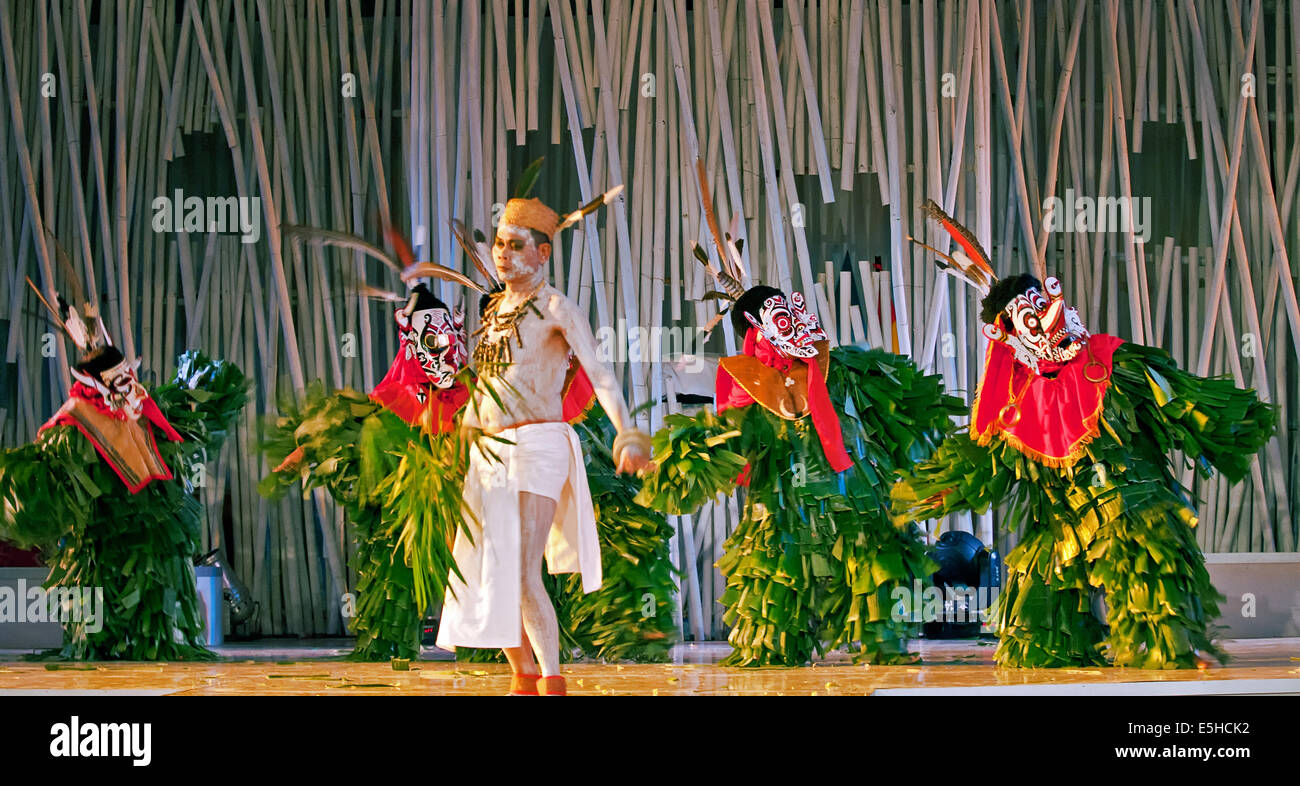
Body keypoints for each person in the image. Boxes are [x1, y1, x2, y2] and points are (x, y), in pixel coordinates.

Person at [892, 200, 1275, 668]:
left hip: (1130, 504)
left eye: (1045, 305)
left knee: (1149, 556)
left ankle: (1173, 647)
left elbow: (1179, 399)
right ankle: (1057, 652)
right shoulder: (1017, 407)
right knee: (1039, 592)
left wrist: (1224, 423)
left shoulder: (1110, 363)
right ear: (1010, 337)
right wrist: (927, 493)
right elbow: (982, 464)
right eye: (1029, 319)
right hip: (1064, 518)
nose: (1047, 320)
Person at [437, 194, 651, 696]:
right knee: (484, 567)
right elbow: (485, 384)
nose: (502, 254)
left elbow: (600, 375)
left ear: (542, 254)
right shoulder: (492, 315)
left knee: (519, 564)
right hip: (487, 452)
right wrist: (459, 437)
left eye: (515, 245)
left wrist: (628, 433)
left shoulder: (557, 307)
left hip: (539, 444)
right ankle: (524, 674)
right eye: (498, 243)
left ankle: (553, 679)